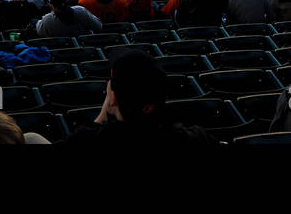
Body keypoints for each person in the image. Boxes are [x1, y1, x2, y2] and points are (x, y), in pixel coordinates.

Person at [64, 48, 213, 149]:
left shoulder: (85, 141)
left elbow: (84, 137)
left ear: (113, 98)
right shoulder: (197, 139)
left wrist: (106, 109)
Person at [34, 0, 102, 38]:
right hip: (84, 51)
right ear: (66, 0)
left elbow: (39, 31)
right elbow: (98, 26)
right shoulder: (81, 11)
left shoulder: (47, 20)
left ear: (51, 5)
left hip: (60, 55)